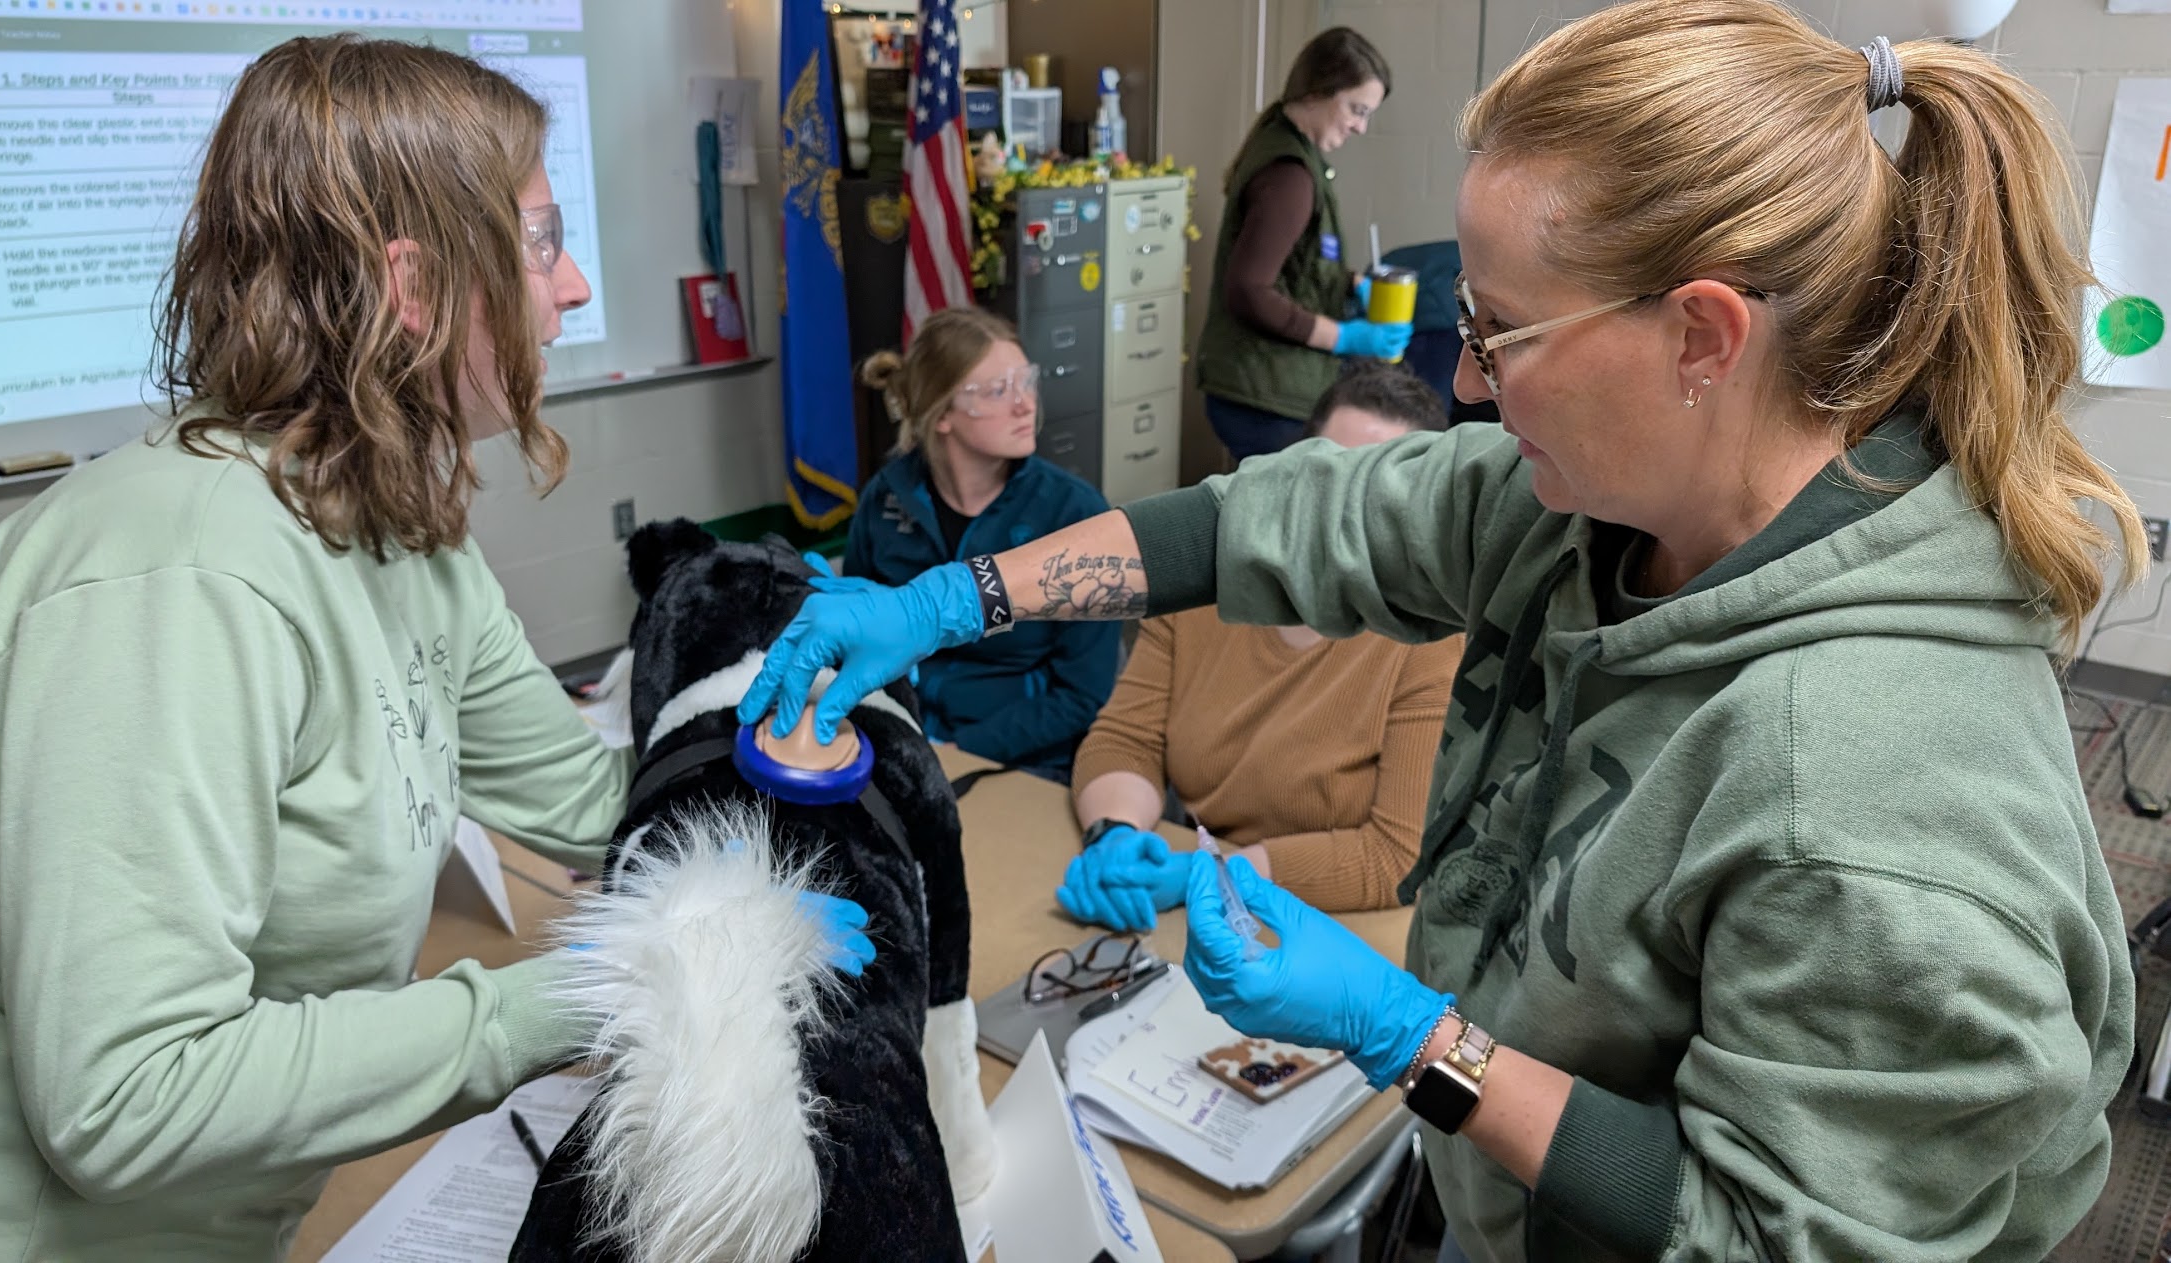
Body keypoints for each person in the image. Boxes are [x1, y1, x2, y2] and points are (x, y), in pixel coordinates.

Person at [736, 3, 2142, 1258]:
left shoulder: (1869, 807)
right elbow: (1263, 525)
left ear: (1704, 338)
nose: (1465, 378)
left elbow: (1763, 1227)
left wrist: (1416, 1035)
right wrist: (950, 596)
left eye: (1502, 328)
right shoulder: (1597, 505)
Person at [0, 38, 871, 1260]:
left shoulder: (392, 531)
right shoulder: (168, 585)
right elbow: (124, 1097)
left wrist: (791, 776)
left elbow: (592, 801)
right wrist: (606, 987)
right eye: (540, 242)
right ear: (411, 287)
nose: (574, 285)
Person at [1058, 366, 1463, 929]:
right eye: (1332, 474)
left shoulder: (1432, 639)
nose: (1346, 510)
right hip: (1200, 908)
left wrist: (1215, 874)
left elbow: (1393, 855)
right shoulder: (1210, 588)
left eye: (1380, 493)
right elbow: (1128, 738)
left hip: (1332, 925)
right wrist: (1114, 835)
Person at [845, 307, 1119, 779]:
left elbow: (1083, 694)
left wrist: (960, 751)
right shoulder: (886, 499)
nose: (1024, 404)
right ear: (943, 413)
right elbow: (858, 639)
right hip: (904, 739)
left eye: (1026, 381)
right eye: (997, 390)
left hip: (1025, 759)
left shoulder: (1075, 515)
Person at [1194, 27, 1413, 462]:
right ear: (1318, 92)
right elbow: (1249, 292)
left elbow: (1296, 262)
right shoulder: (1290, 175)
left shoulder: (1288, 147)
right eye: (1355, 109)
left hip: (1259, 387)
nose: (1361, 126)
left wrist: (1352, 284)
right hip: (1264, 395)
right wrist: (1345, 337)